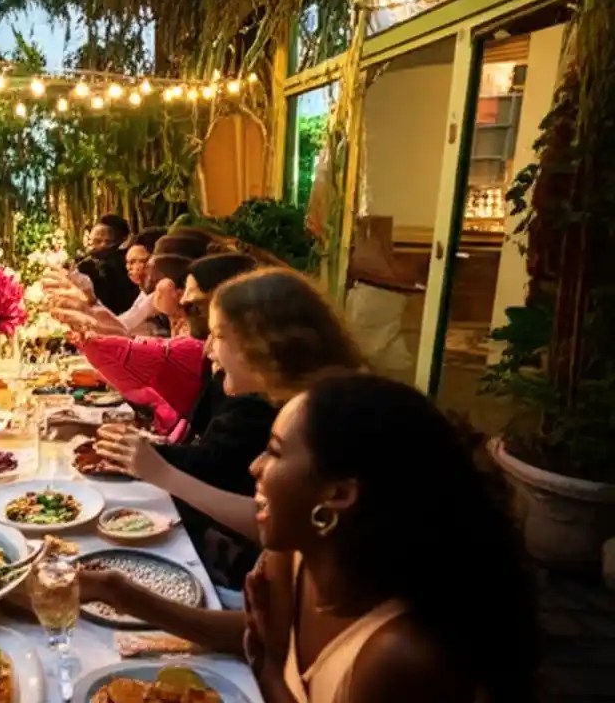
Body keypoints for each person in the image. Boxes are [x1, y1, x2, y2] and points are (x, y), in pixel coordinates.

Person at [84, 373, 539, 703]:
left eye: (275, 452)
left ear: (338, 494)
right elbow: (255, 634)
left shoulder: (397, 656)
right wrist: (115, 591)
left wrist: (268, 667)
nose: (255, 467)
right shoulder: (297, 555)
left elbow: (268, 650)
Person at [98, 267, 364, 598]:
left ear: (262, 343)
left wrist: (162, 471)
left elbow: (269, 521)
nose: (208, 349)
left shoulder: (319, 419)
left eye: (219, 336)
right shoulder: (290, 403)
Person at [77, 213, 140, 314]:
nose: (101, 245)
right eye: (95, 241)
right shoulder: (86, 263)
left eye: (107, 241)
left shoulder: (121, 264)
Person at [119, 226, 167, 335]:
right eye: (128, 263)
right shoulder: (146, 292)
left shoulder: (164, 290)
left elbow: (124, 325)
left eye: (134, 262)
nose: (129, 268)